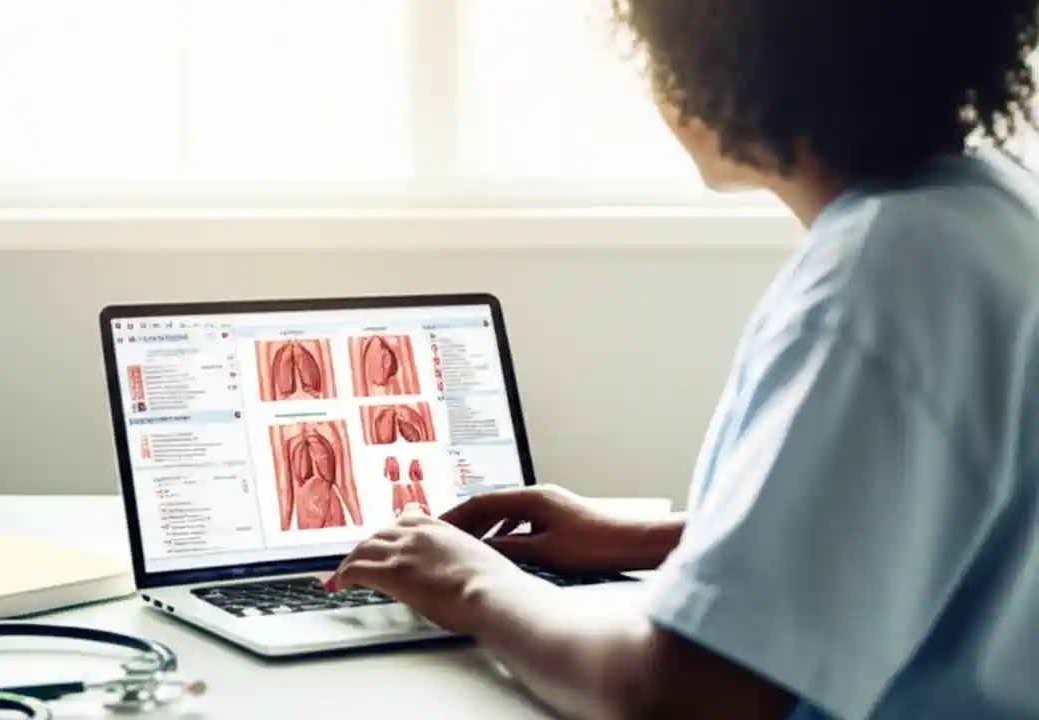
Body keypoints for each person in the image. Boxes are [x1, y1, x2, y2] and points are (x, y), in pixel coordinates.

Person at [325, 1, 1039, 718]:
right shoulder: (990, 212)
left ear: (730, 56)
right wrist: (647, 540)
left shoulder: (883, 276)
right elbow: (915, 535)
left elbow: (684, 695)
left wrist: (472, 585)